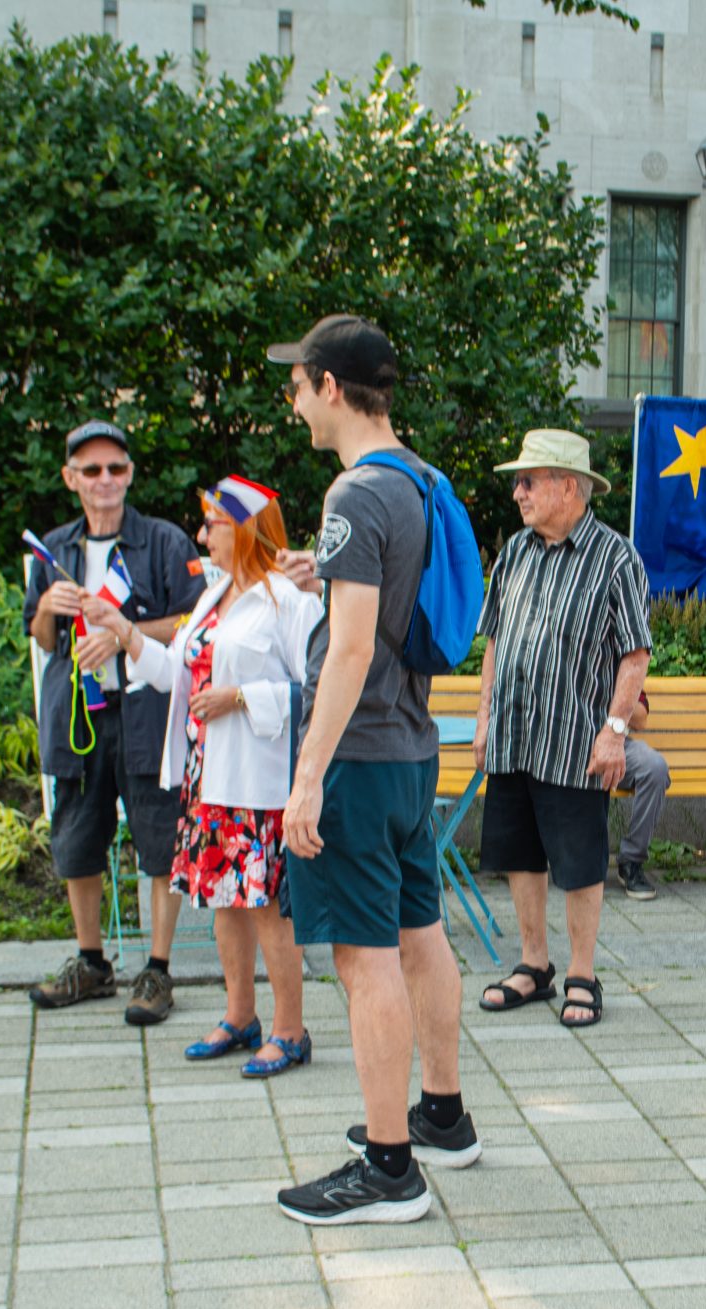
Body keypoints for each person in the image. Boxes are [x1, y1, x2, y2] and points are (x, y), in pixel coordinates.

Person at [268, 314, 476, 1225]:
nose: (294, 401)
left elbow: (350, 653)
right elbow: (396, 597)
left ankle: (390, 1169)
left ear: (327, 384)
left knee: (364, 960)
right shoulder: (419, 479)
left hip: (357, 751)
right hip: (412, 748)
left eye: (297, 384)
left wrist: (308, 773)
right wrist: (329, 570)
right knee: (420, 931)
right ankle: (441, 1113)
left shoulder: (355, 492)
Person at [92, 489, 321, 1077]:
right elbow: (174, 673)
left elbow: (313, 690)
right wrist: (125, 632)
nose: (201, 535)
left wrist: (241, 697)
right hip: (206, 778)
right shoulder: (214, 596)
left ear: (244, 530)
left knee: (266, 906)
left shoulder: (290, 601)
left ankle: (290, 1029)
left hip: (259, 783)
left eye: (212, 524)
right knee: (222, 901)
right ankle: (239, 1014)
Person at [23, 420, 206, 1025]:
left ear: (130, 474)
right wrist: (49, 608)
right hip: (79, 715)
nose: (106, 480)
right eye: (92, 470)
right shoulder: (53, 550)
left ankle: (156, 969)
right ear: (71, 478)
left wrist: (124, 634)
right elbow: (41, 638)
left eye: (116, 469)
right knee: (78, 839)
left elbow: (192, 625)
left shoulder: (164, 541)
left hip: (147, 711)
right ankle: (91, 962)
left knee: (158, 837)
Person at [472, 431, 651, 1027]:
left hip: (575, 739)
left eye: (529, 480)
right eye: (518, 481)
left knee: (577, 859)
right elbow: (495, 640)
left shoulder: (615, 557)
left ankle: (582, 973)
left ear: (567, 487)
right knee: (520, 854)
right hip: (515, 732)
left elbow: (634, 654)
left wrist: (614, 729)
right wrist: (483, 716)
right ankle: (533, 966)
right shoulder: (517, 552)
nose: (518, 492)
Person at [614, 686, 670, 901]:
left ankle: (631, 861)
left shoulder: (620, 664)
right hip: (567, 745)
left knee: (654, 767)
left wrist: (608, 693)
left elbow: (640, 719)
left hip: (617, 742)